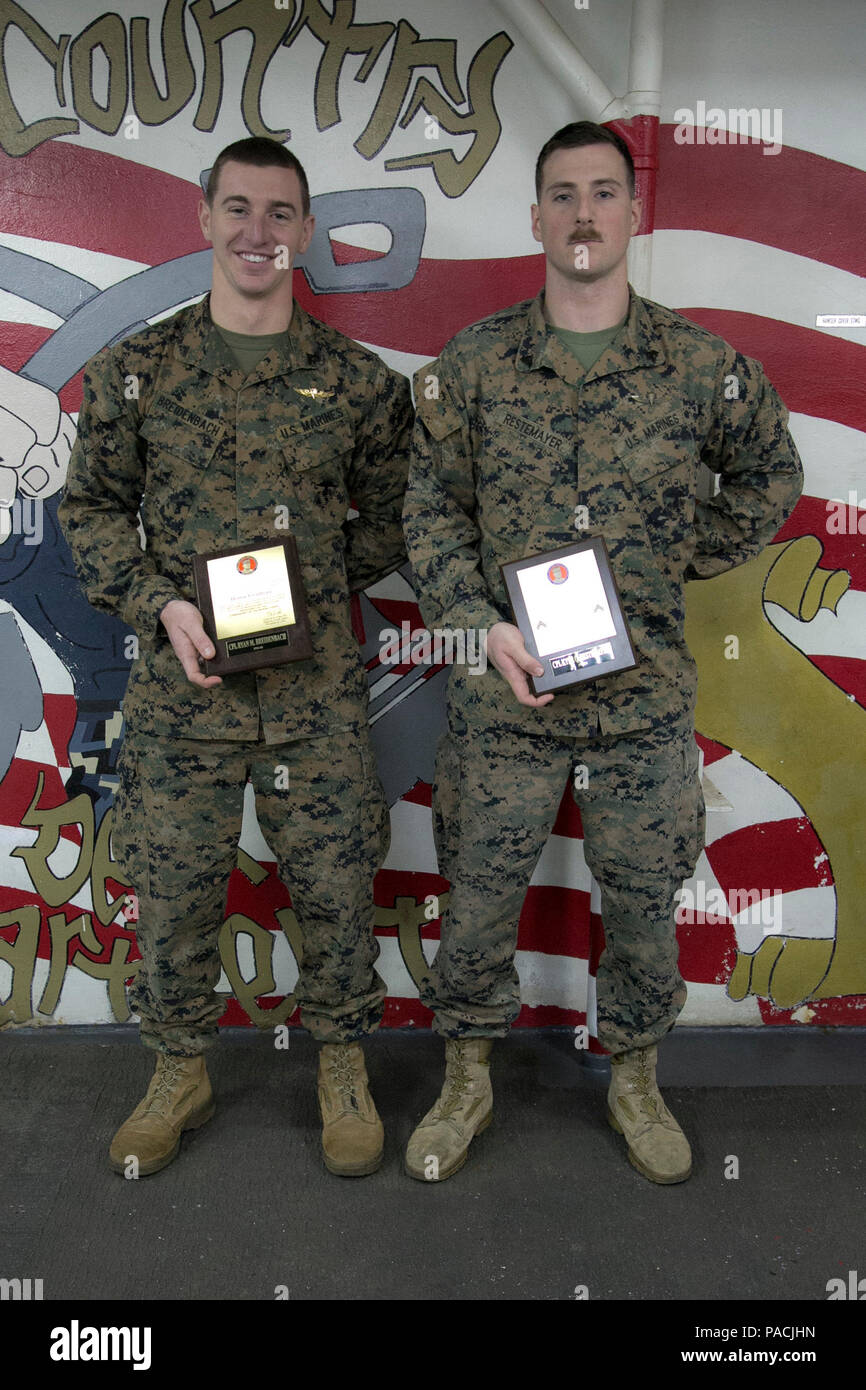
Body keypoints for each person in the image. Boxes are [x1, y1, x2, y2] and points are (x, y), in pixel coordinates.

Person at [401, 121, 804, 1184]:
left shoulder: (699, 367)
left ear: (633, 213)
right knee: (478, 896)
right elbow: (427, 511)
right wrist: (474, 622)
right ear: (533, 219)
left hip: (640, 701)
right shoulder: (477, 364)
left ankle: (633, 1077)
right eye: (561, 195)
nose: (582, 214)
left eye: (601, 194)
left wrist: (669, 564)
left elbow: (768, 476)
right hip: (506, 696)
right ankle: (466, 1078)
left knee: (639, 899)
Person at [59, 137, 412, 1178]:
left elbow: (398, 514)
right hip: (185, 689)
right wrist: (158, 601)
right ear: (206, 218)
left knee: (338, 884)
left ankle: (341, 1063)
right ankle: (179, 1068)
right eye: (240, 209)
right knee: (171, 892)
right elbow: (91, 509)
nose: (258, 233)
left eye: (280, 214)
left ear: (304, 233)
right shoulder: (137, 370)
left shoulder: (355, 382)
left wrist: (312, 588)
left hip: (315, 695)